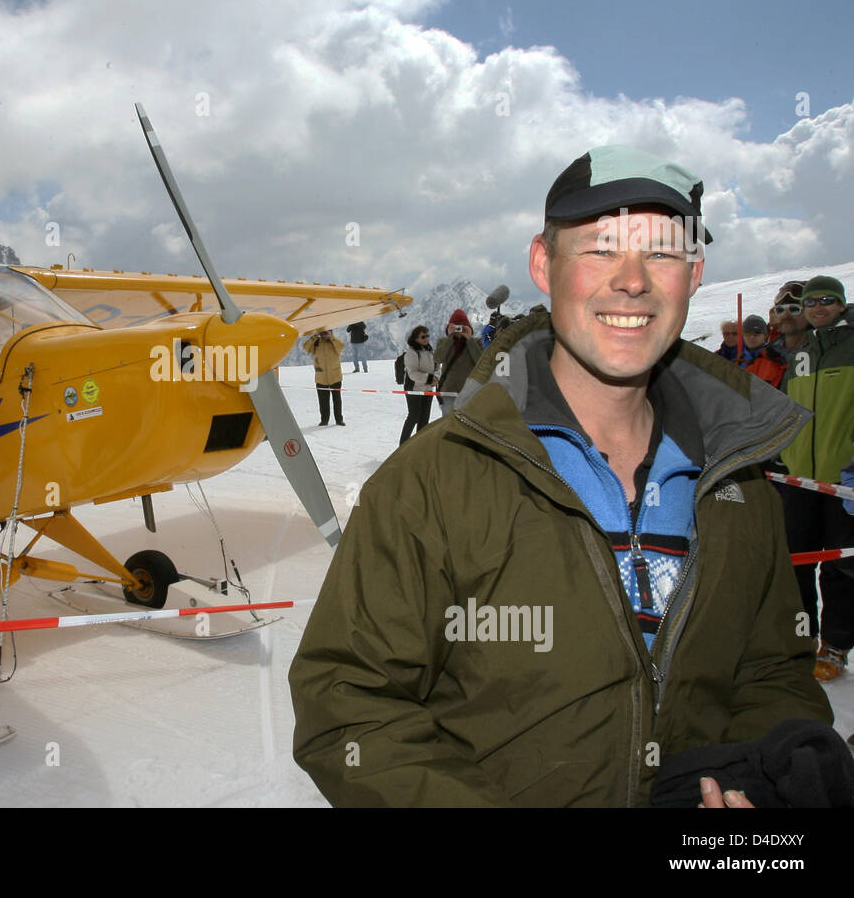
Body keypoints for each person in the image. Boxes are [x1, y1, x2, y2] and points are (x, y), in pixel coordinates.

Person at [289, 144, 832, 807]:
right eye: (601, 247)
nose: (632, 280)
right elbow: (348, 708)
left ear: (694, 275)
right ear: (544, 266)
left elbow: (772, 668)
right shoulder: (431, 484)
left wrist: (753, 779)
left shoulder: (739, 480)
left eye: (662, 251)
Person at [779, 275, 854, 682]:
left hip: (843, 481)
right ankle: (801, 635)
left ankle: (836, 645)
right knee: (796, 561)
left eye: (828, 300)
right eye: (811, 302)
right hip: (798, 480)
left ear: (842, 304)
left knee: (840, 566)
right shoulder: (801, 353)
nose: (818, 307)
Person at [432, 309, 483, 414]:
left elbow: (481, 362)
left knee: (468, 424)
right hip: (448, 391)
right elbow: (437, 358)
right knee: (448, 423)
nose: (459, 330)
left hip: (470, 392)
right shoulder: (443, 342)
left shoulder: (476, 342)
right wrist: (450, 337)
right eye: (456, 327)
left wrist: (469, 339)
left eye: (462, 327)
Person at [398, 325, 435, 445]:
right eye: (423, 337)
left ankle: (419, 447)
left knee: (424, 420)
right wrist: (430, 379)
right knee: (413, 417)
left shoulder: (430, 350)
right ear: (415, 339)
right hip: (414, 388)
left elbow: (437, 366)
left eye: (427, 336)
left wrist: (436, 378)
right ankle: (403, 445)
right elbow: (412, 373)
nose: (426, 339)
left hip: (428, 389)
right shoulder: (411, 352)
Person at [304, 329, 345, 426]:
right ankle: (324, 420)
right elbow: (306, 348)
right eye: (324, 332)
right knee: (323, 402)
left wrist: (331, 338)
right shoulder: (317, 342)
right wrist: (315, 336)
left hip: (335, 376)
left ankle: (339, 420)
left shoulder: (334, 342)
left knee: (337, 400)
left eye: (327, 332)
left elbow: (341, 347)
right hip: (321, 377)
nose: (325, 334)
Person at [735, 314, 786, 387]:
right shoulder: (738, 361)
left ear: (765, 335)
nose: (752, 337)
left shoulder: (774, 358)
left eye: (757, 333)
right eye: (747, 333)